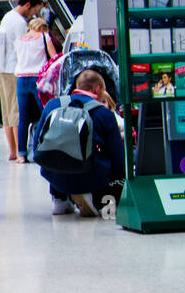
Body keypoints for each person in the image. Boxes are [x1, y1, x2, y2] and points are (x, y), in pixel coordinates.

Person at [40, 69, 125, 218]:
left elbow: (37, 145)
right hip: (92, 177)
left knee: (59, 149)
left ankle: (60, 199)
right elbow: (118, 158)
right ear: (97, 89)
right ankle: (95, 196)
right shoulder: (103, 113)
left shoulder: (52, 105)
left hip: (55, 177)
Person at [0, 0, 44, 162]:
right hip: (15, 71)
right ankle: (20, 152)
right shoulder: (20, 23)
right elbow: (24, 50)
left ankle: (12, 151)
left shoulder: (7, 17)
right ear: (28, 5)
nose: (33, 15)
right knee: (16, 113)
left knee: (7, 112)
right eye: (34, 11)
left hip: (2, 69)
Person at [14, 16, 57, 163]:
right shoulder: (44, 37)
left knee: (23, 119)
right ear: (41, 28)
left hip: (21, 80)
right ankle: (46, 149)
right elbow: (54, 59)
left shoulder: (19, 39)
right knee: (46, 114)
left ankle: (21, 154)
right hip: (39, 80)